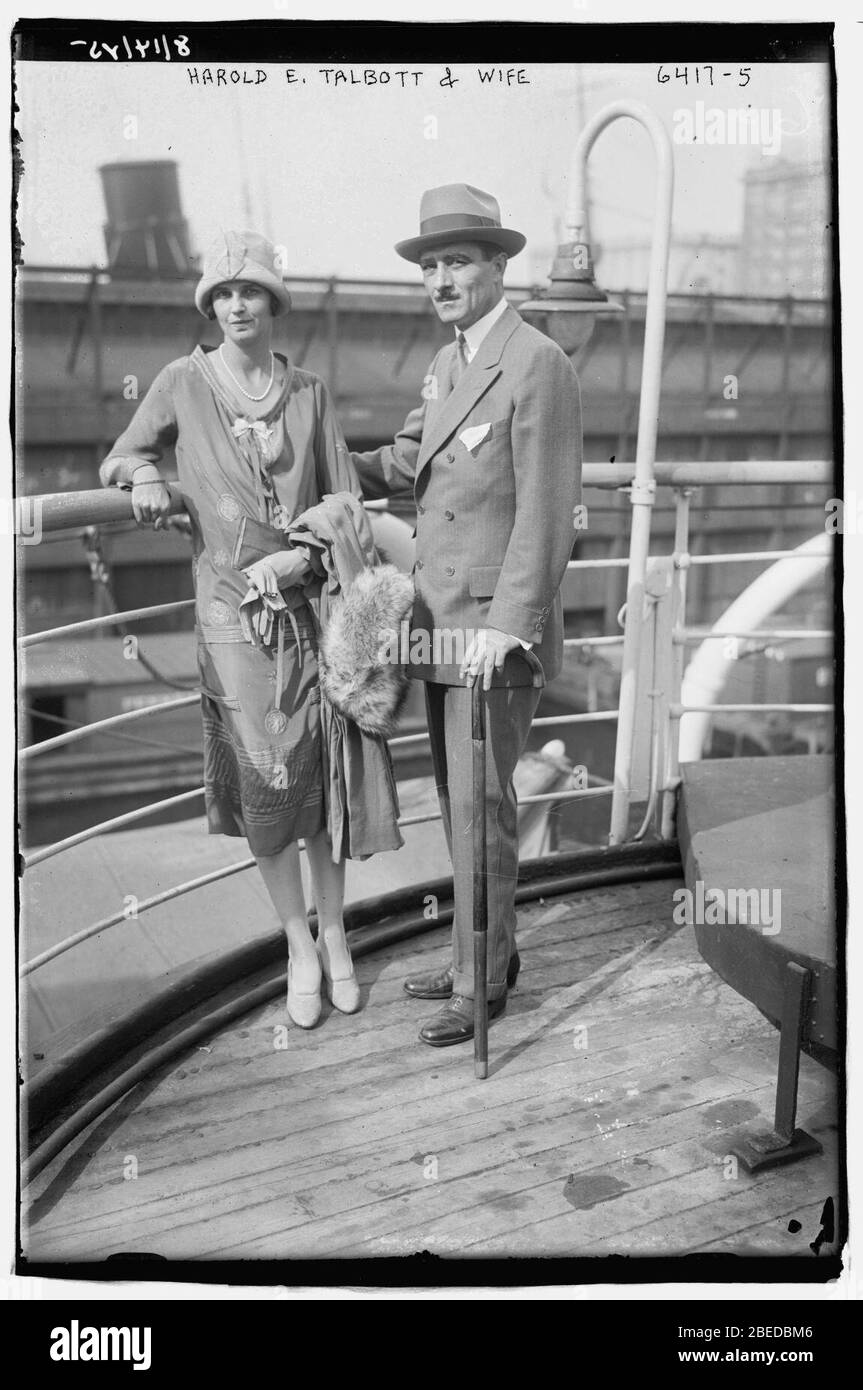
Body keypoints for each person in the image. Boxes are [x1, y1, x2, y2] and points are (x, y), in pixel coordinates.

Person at [100, 229, 401, 1030]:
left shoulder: (308, 392)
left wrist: (303, 559)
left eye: (251, 293)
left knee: (324, 775)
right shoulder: (181, 381)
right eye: (223, 295)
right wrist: (146, 477)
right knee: (269, 784)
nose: (236, 305)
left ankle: (337, 935)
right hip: (231, 621)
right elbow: (122, 455)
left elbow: (347, 505)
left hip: (309, 612)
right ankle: (297, 946)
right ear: (210, 306)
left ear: (274, 303)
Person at [351, 184, 582, 1047]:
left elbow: (548, 510)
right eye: (430, 267)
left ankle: (480, 984)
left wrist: (507, 623)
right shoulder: (450, 361)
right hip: (441, 626)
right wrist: (321, 468)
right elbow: (412, 457)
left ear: (497, 266)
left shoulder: (535, 362)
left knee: (482, 811)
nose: (440, 280)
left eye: (456, 262)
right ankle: (478, 955)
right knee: (458, 808)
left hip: (492, 634)